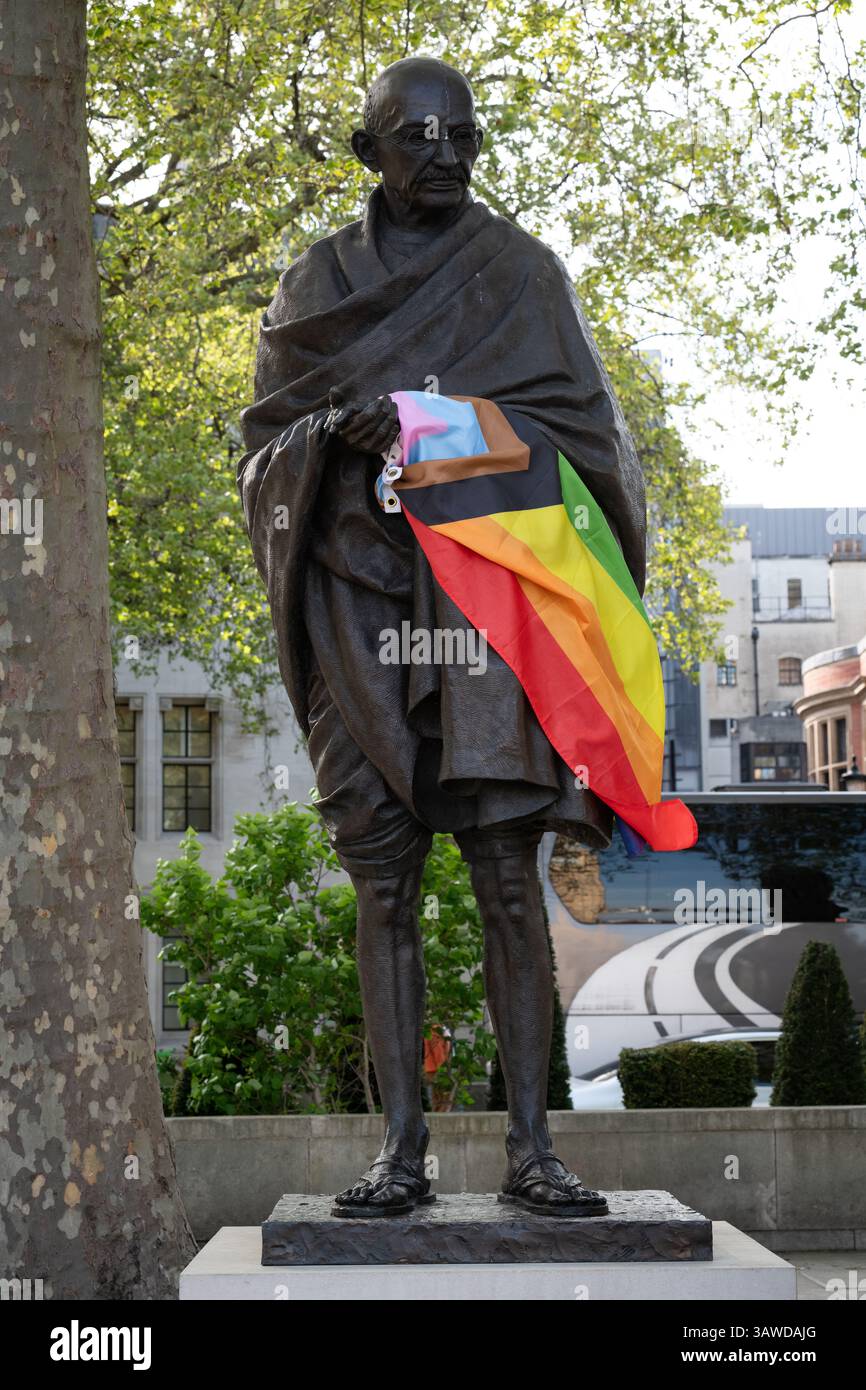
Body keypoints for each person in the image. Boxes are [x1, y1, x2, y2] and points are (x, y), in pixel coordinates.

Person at [238, 56, 646, 1217]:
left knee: (507, 882)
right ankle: (399, 1154)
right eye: (413, 136)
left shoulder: (522, 276)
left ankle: (531, 1150)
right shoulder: (315, 283)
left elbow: (587, 450)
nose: (444, 154)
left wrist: (443, 425)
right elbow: (264, 449)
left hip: (486, 612)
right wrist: (335, 432)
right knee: (382, 886)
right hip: (359, 607)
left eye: (460, 134)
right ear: (366, 152)